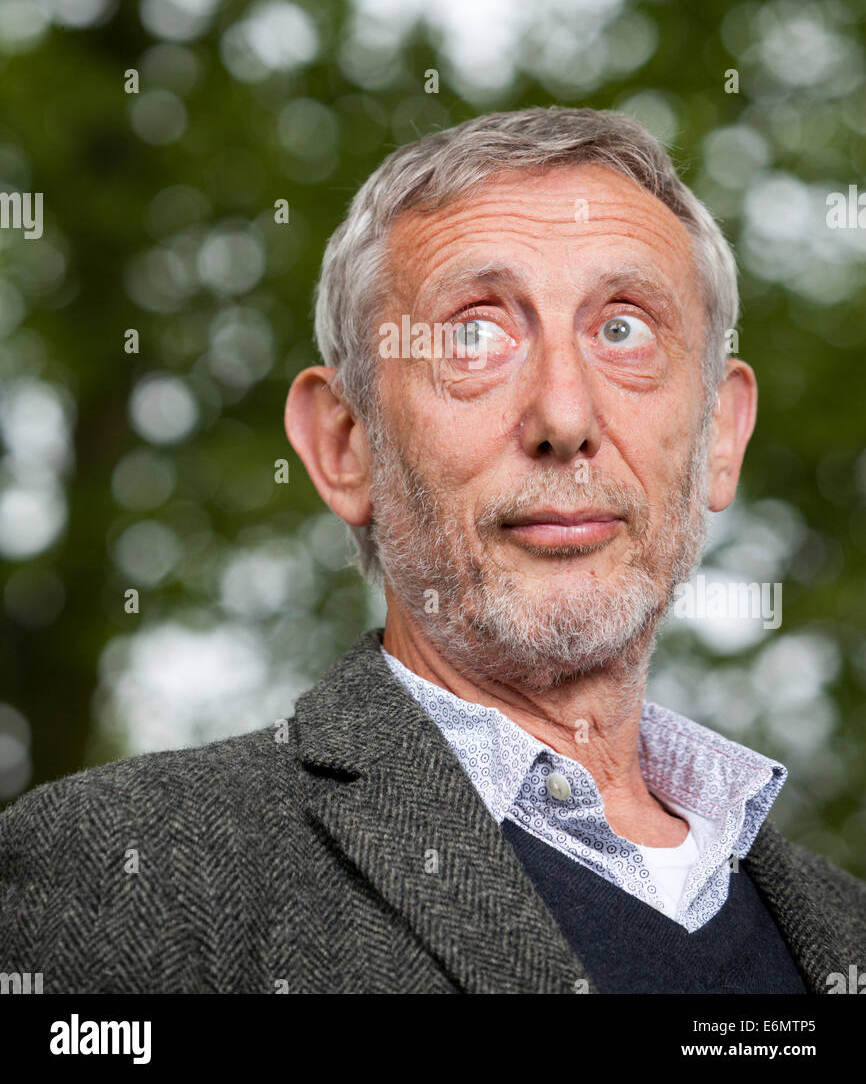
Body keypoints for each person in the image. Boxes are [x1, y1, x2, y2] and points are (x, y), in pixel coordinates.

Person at [1, 106, 863, 993]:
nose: (564, 418)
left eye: (623, 329)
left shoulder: (847, 932)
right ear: (345, 443)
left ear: (720, 434)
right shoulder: (133, 870)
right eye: (475, 335)